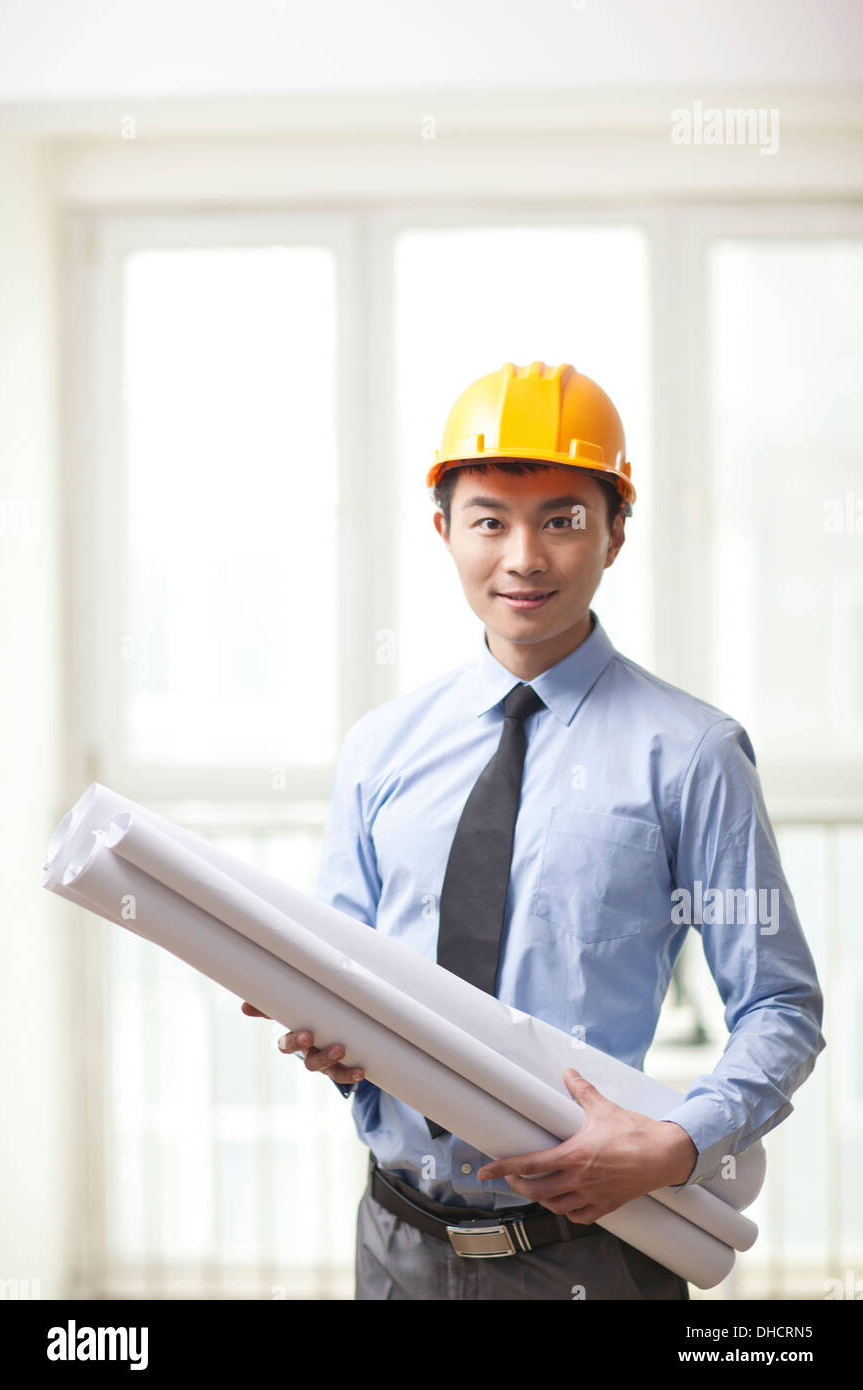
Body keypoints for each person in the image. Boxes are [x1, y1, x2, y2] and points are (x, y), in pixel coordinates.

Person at [243, 360, 825, 1300]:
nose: (524, 556)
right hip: (396, 1245)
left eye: (562, 519)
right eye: (489, 521)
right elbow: (341, 975)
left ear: (615, 533)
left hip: (598, 1252)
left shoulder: (693, 754)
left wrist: (677, 1143)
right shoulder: (381, 748)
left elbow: (781, 1008)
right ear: (444, 531)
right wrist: (331, 1046)